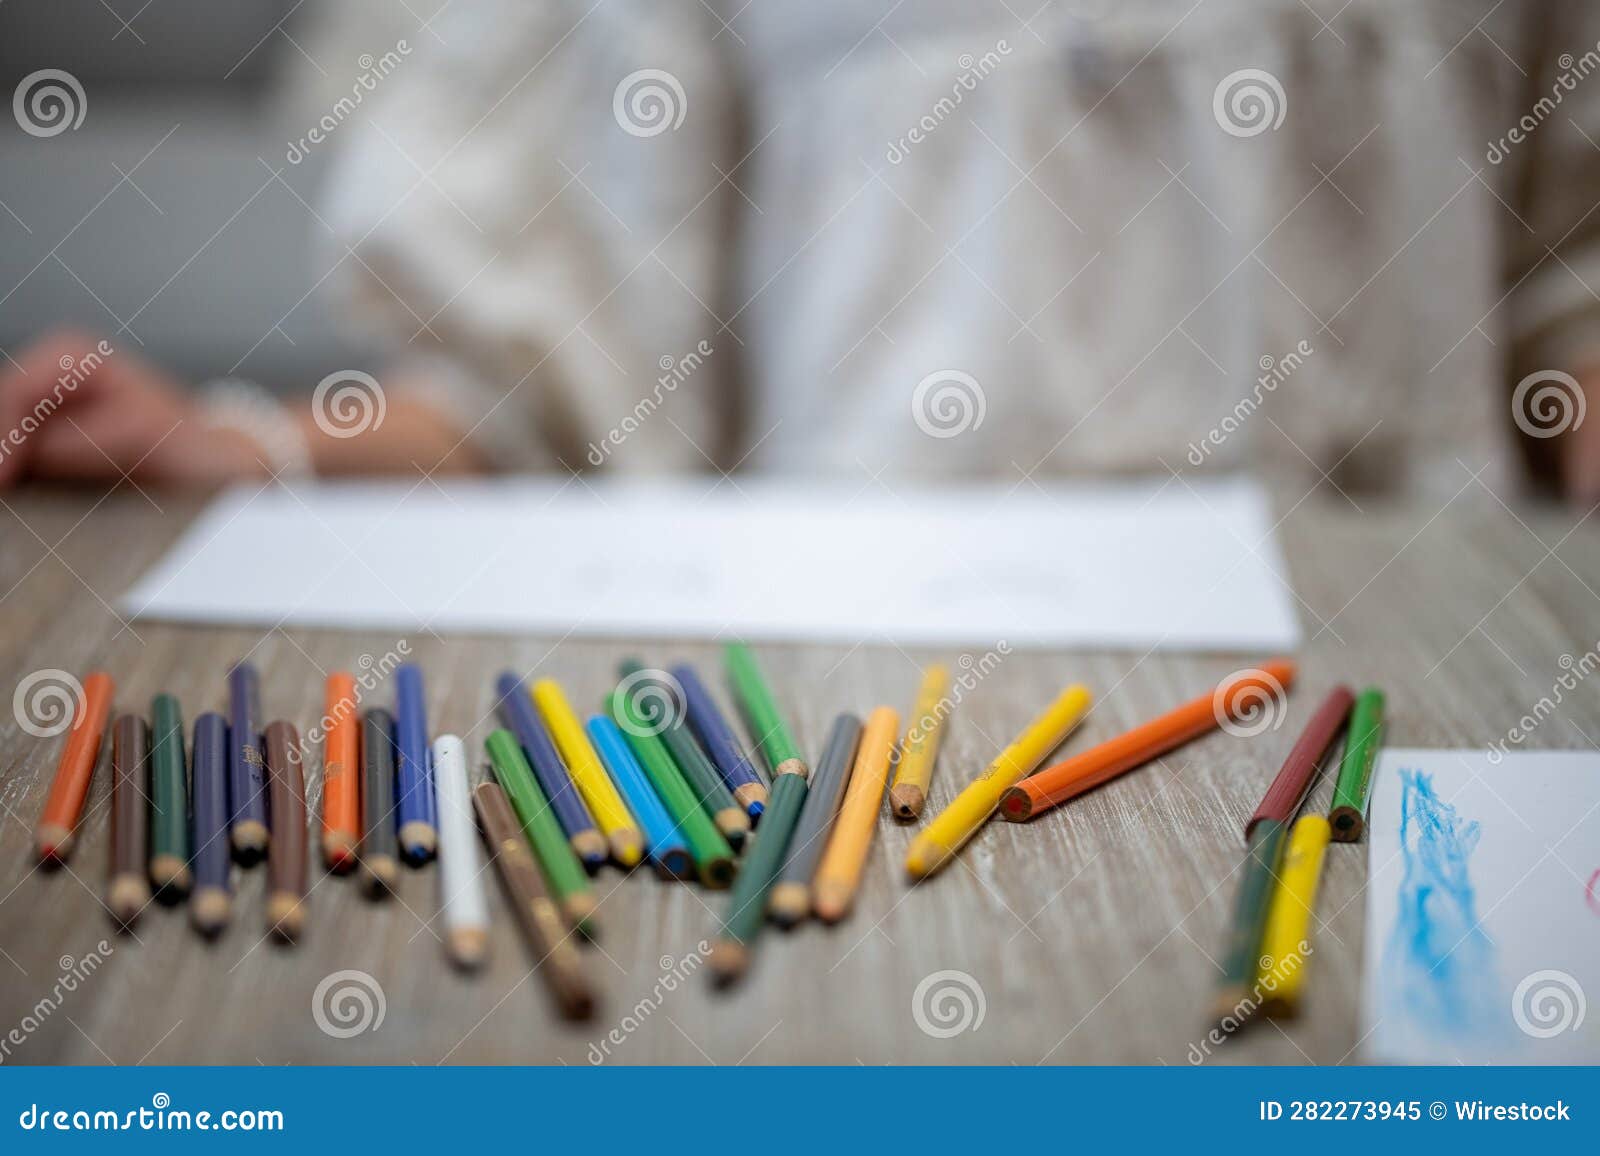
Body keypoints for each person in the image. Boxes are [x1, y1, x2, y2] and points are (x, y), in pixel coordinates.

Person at [3, 1, 1598, 500]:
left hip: (1401, 726)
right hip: (863, 723)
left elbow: (1568, 315)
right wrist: (254, 452)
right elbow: (535, 391)